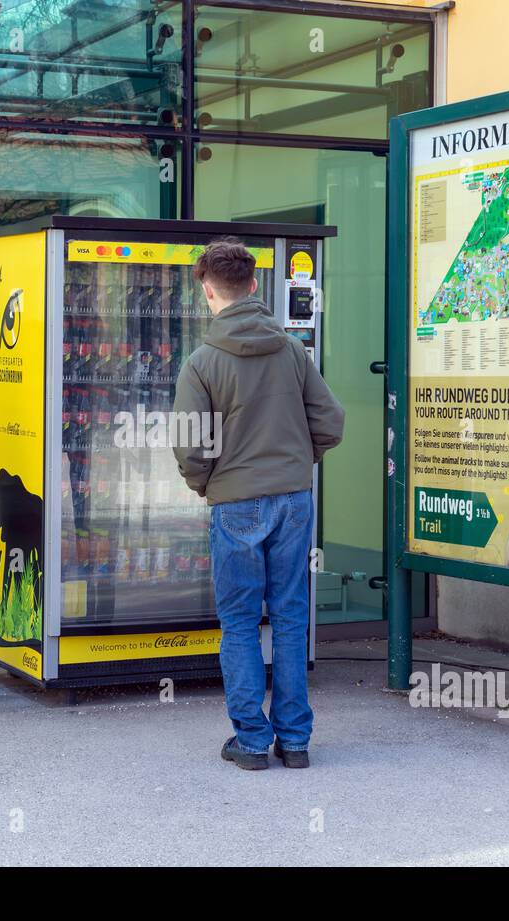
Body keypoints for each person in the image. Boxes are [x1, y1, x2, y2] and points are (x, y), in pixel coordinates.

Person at [172, 239, 345, 771]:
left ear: (208, 292)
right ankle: (294, 742)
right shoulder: (292, 350)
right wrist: (297, 463)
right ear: (253, 287)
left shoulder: (201, 362)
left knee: (242, 622)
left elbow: (189, 444)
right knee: (291, 616)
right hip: (293, 500)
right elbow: (331, 422)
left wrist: (209, 484)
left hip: (236, 504)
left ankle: (251, 742)